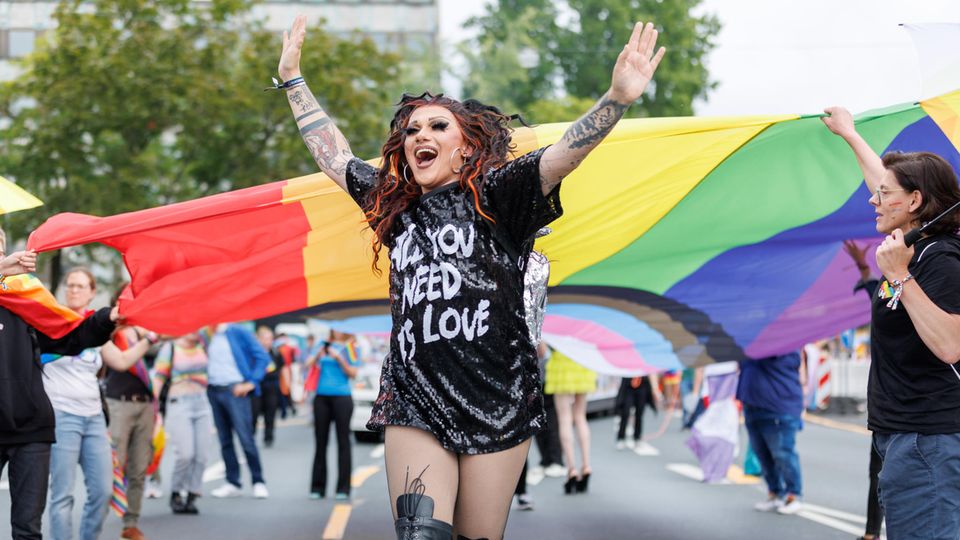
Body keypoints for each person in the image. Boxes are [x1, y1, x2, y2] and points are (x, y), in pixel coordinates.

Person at [278, 14, 665, 538]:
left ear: (465, 147)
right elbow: (334, 154)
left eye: (438, 127)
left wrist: (617, 98)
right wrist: (293, 80)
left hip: (500, 399)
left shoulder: (502, 196)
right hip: (415, 397)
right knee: (420, 534)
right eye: (412, 130)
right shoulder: (393, 206)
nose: (420, 135)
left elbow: (563, 157)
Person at [824, 106, 960, 539]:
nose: (873, 199)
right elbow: (881, 179)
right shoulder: (914, 245)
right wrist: (848, 133)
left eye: (884, 195)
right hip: (903, 437)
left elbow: (949, 345)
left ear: (915, 202)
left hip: (928, 441)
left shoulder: (940, 259)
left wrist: (900, 276)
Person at [0, 233, 118, 540]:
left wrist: (109, 317)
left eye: (1, 250)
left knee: (28, 529)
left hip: (31, 428)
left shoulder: (23, 298)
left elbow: (69, 336)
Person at [43, 268, 157, 540]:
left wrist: (151, 340)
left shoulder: (94, 328)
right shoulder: (50, 322)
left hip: (94, 417)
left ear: (92, 292)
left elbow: (120, 361)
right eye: (70, 285)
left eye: (81, 286)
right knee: (63, 494)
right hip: (61, 415)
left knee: (103, 490)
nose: (74, 290)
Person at [103, 284, 160, 538]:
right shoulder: (111, 329)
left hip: (145, 404)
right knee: (114, 464)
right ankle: (97, 519)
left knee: (138, 467)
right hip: (119, 403)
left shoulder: (145, 330)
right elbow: (122, 362)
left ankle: (131, 523)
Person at [842, 240, 883, 540]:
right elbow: (880, 295)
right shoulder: (893, 293)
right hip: (887, 407)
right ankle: (871, 533)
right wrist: (863, 267)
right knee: (880, 474)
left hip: (917, 409)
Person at [202, 323, 271, 499]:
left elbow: (262, 356)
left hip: (235, 390)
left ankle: (258, 481)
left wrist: (251, 382)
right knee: (224, 440)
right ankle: (232, 482)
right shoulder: (206, 334)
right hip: (213, 389)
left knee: (246, 438)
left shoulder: (236, 331)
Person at [737, 352, 806, 515]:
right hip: (753, 406)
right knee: (763, 455)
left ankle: (793, 495)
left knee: (783, 454)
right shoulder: (753, 342)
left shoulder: (783, 342)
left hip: (778, 407)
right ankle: (775, 493)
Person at [152, 331, 211, 515]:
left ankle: (193, 493)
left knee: (201, 454)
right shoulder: (170, 348)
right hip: (179, 403)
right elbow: (159, 378)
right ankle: (176, 493)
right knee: (185, 453)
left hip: (202, 403)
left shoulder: (203, 342)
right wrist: (153, 410)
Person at [306, 332, 360, 500]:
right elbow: (307, 364)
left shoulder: (350, 347)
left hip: (342, 397)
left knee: (343, 442)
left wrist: (339, 358)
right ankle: (317, 487)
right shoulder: (322, 344)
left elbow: (353, 373)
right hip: (321, 397)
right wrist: (318, 355)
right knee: (320, 443)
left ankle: (343, 488)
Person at [544, 349, 596, 495]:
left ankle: (571, 469)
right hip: (582, 362)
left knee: (564, 419)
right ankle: (586, 466)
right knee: (580, 416)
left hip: (561, 365)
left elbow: (542, 347)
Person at [615, 374, 661, 455]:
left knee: (639, 413)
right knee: (625, 412)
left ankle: (637, 438)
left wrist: (655, 389)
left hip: (642, 385)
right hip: (628, 385)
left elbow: (651, 372)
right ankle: (621, 438)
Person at [252, 326, 281, 448]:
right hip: (256, 388)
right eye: (265, 338)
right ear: (258, 339)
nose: (268, 341)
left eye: (270, 338)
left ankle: (268, 437)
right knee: (253, 414)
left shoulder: (275, 352)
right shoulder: (252, 353)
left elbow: (282, 368)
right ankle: (250, 437)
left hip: (271, 387)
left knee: (270, 414)